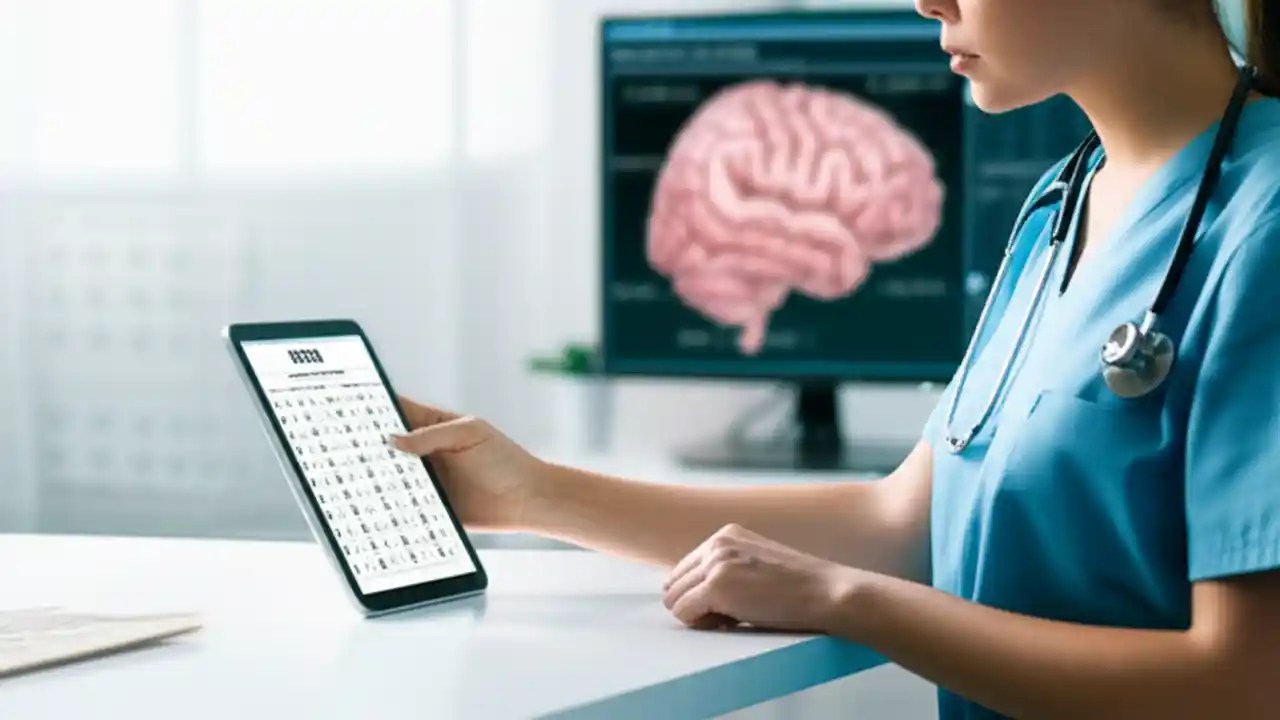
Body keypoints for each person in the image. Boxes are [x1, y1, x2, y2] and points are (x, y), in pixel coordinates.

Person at [391, 1, 1280, 717]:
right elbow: (903, 524)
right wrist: (531, 494)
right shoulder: (1064, 201)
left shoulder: (1264, 225)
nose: (926, 3)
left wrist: (848, 602)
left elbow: (1243, 684)